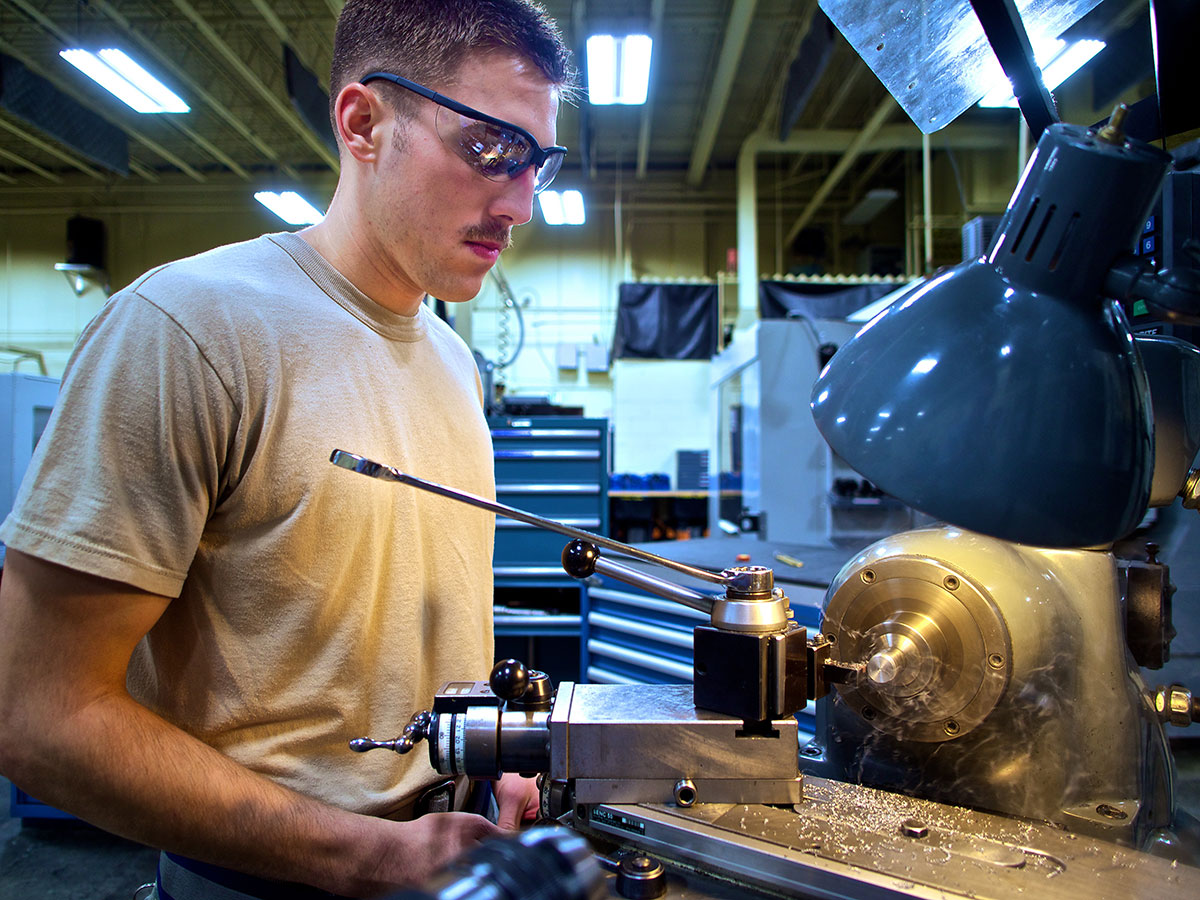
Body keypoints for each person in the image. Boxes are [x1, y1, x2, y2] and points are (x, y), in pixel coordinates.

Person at [0, 1, 574, 896]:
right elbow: (40, 715)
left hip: (443, 862)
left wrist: (487, 757)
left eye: (537, 162)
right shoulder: (187, 330)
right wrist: (368, 855)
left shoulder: (454, 361)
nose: (521, 203)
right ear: (364, 122)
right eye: (491, 149)